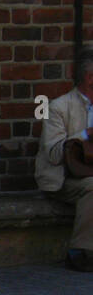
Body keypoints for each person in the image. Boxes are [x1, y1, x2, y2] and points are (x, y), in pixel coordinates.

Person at [35, 49, 93, 271]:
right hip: (62, 178)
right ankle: (81, 252)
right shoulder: (59, 107)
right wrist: (86, 134)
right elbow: (53, 153)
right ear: (90, 78)